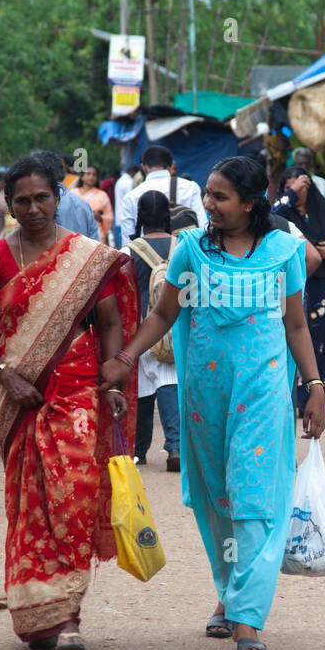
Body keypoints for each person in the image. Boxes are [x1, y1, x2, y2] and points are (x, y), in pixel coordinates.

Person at [99, 156, 325, 650]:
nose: (209, 205)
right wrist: (124, 359)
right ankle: (228, 592)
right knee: (217, 498)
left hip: (263, 393)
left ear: (250, 202)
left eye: (220, 197)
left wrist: (313, 385)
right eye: (208, 195)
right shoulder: (191, 250)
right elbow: (163, 313)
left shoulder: (284, 249)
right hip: (205, 396)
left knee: (256, 497)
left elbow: (295, 325)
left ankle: (249, 619)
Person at [0, 150, 139, 650]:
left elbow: (109, 323)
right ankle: (41, 617)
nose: (33, 208)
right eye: (22, 201)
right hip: (22, 394)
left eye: (41, 198)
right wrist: (5, 376)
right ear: (9, 207)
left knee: (74, 494)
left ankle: (69, 614)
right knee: (30, 506)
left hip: (78, 389)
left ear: (59, 197)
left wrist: (114, 381)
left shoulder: (84, 255)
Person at [273, 166, 325, 411]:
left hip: (323, 283)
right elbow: (271, 214)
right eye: (290, 188)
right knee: (293, 336)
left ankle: (317, 398)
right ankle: (294, 398)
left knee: (321, 339)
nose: (297, 192)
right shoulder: (281, 217)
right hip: (293, 284)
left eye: (302, 187)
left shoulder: (323, 212)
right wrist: (292, 195)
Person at [120, 191, 181, 470]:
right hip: (175, 324)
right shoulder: (183, 247)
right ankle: (176, 446)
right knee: (170, 381)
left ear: (140, 218)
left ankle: (137, 448)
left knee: (142, 385)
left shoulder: (128, 252)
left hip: (141, 328)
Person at [116, 145, 208, 241]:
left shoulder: (131, 197)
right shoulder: (190, 187)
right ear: (170, 166)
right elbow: (202, 227)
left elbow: (127, 239)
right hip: (185, 251)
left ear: (144, 168)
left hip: (145, 253)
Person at [74, 164, 114, 244]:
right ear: (82, 177)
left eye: (94, 174)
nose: (91, 177)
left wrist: (100, 217)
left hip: (96, 235)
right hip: (75, 233)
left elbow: (109, 216)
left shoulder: (102, 195)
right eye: (88, 174)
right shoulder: (73, 193)